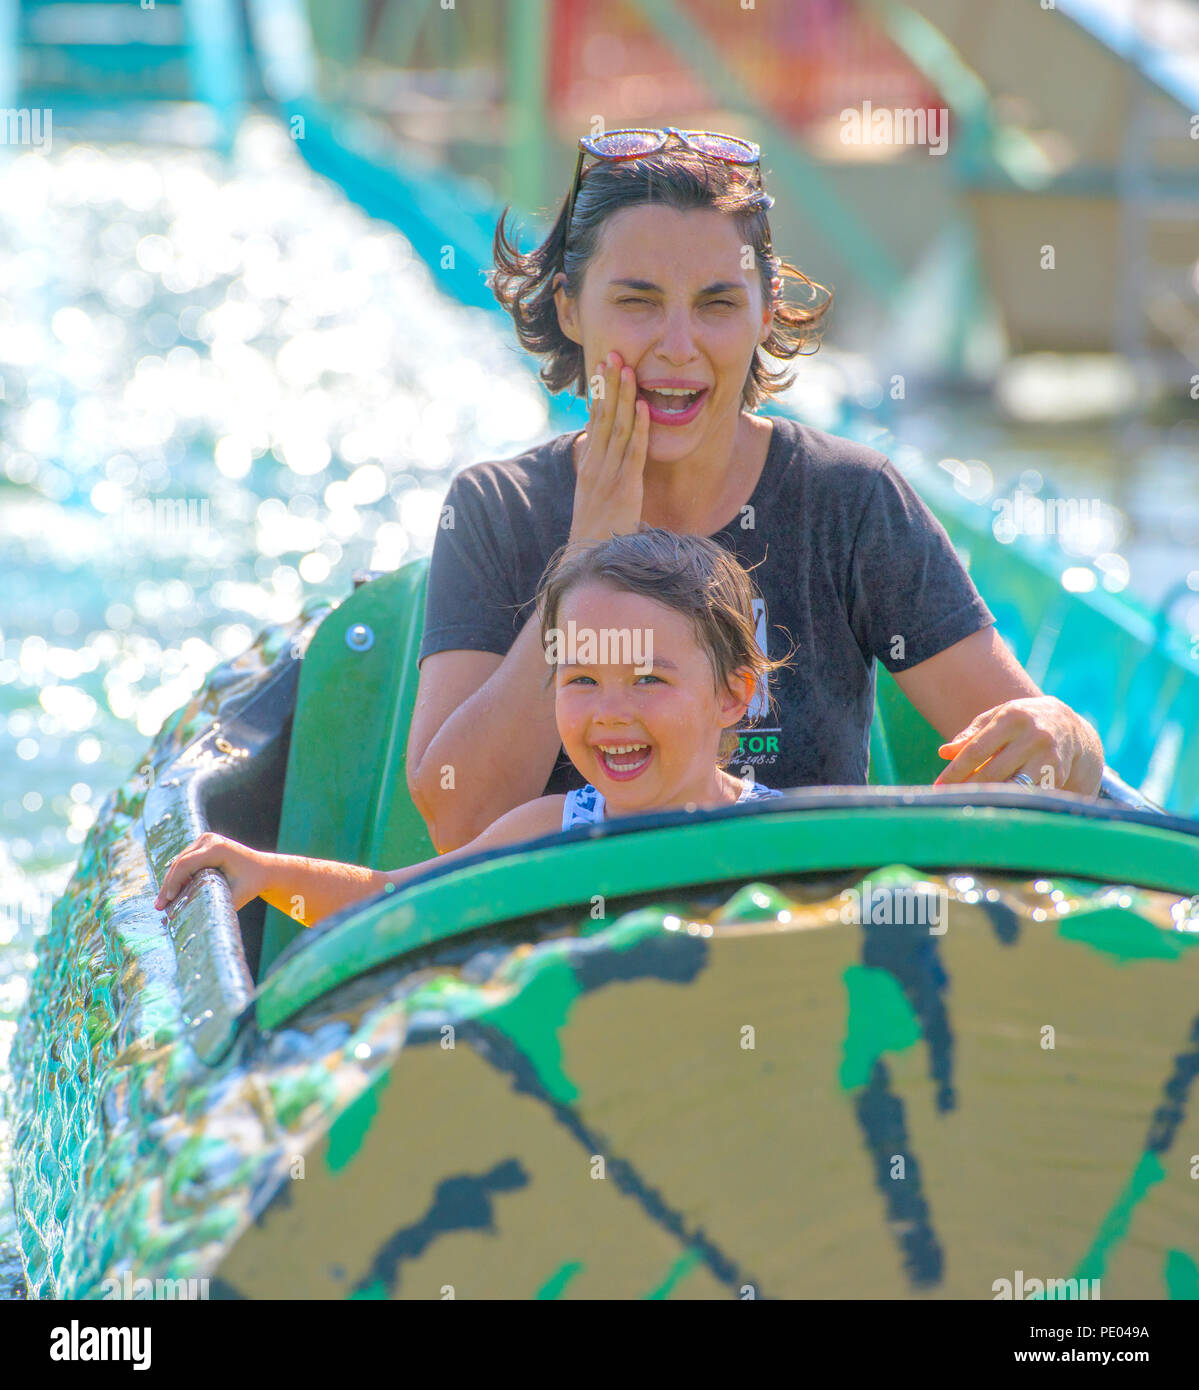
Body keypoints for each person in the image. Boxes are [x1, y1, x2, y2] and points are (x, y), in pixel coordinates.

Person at [406, 127, 1104, 852]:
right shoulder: (498, 509)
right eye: (638, 302)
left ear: (765, 311)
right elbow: (458, 822)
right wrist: (586, 554)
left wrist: (1063, 734)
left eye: (715, 304)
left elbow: (1050, 767)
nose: (678, 346)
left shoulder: (848, 499)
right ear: (569, 309)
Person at [155, 530, 787, 927]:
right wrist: (267, 873)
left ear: (733, 695)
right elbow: (394, 902)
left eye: (648, 680)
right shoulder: (549, 830)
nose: (610, 713)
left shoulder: (790, 837)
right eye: (582, 680)